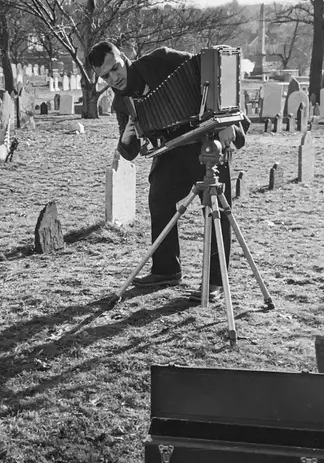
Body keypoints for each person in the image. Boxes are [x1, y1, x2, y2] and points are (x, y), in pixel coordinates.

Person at [88, 41, 249, 302]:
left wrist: (225, 118)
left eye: (115, 68)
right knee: (159, 198)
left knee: (215, 208)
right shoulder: (121, 103)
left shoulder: (162, 59)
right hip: (172, 149)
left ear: (124, 57)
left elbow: (212, 66)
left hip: (206, 140)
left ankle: (215, 281)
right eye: (105, 76)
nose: (114, 78)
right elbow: (129, 152)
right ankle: (166, 270)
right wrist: (127, 137)